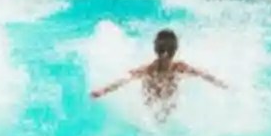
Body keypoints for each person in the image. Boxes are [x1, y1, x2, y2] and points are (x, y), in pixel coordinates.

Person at [90, 29, 227, 121]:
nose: (165, 57)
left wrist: (221, 84)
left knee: (166, 110)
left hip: (167, 108)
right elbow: (123, 80)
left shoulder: (178, 67)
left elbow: (203, 75)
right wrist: (103, 91)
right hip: (152, 108)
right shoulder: (149, 70)